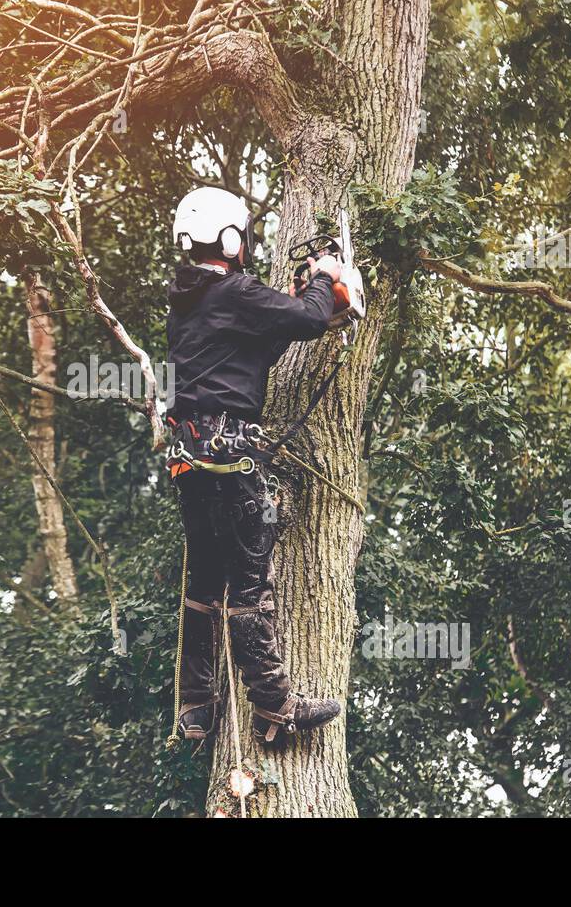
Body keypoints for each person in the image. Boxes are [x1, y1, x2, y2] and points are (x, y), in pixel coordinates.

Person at [165, 186, 360, 744]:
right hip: (230, 451)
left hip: (190, 456)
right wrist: (323, 277)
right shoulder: (233, 290)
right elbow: (302, 321)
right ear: (232, 237)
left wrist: (305, 301)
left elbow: (249, 350)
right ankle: (274, 707)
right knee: (250, 585)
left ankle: (196, 708)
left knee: (204, 583)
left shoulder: (189, 302)